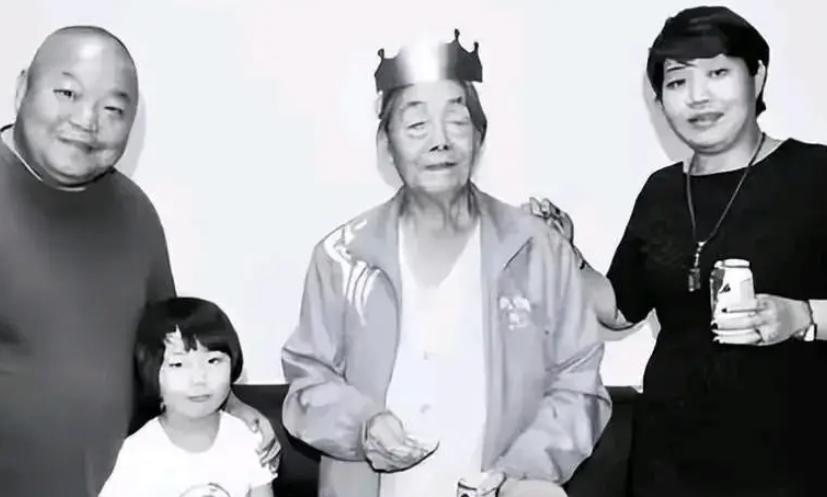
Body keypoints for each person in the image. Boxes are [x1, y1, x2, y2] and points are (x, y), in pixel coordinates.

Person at [281, 30, 611, 497]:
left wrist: (521, 471)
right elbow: (307, 382)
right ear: (387, 146)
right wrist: (363, 426)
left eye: (456, 120)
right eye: (416, 125)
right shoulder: (341, 256)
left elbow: (580, 385)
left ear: (479, 136)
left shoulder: (538, 250)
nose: (440, 141)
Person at [531, 6, 827, 496]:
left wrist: (804, 316)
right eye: (677, 81)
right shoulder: (662, 191)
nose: (697, 96)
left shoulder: (815, 174)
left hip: (793, 461)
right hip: (669, 462)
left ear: (757, 76)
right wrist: (565, 253)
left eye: (717, 73)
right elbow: (619, 310)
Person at [0, 26, 278, 497]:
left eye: (113, 109)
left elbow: (168, 339)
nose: (87, 120)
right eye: (67, 93)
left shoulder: (134, 211)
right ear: (22, 87)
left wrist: (229, 404)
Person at [100, 297, 277, 497]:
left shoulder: (247, 437)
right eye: (178, 364)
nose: (199, 379)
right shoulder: (139, 453)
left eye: (213, 360)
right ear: (150, 371)